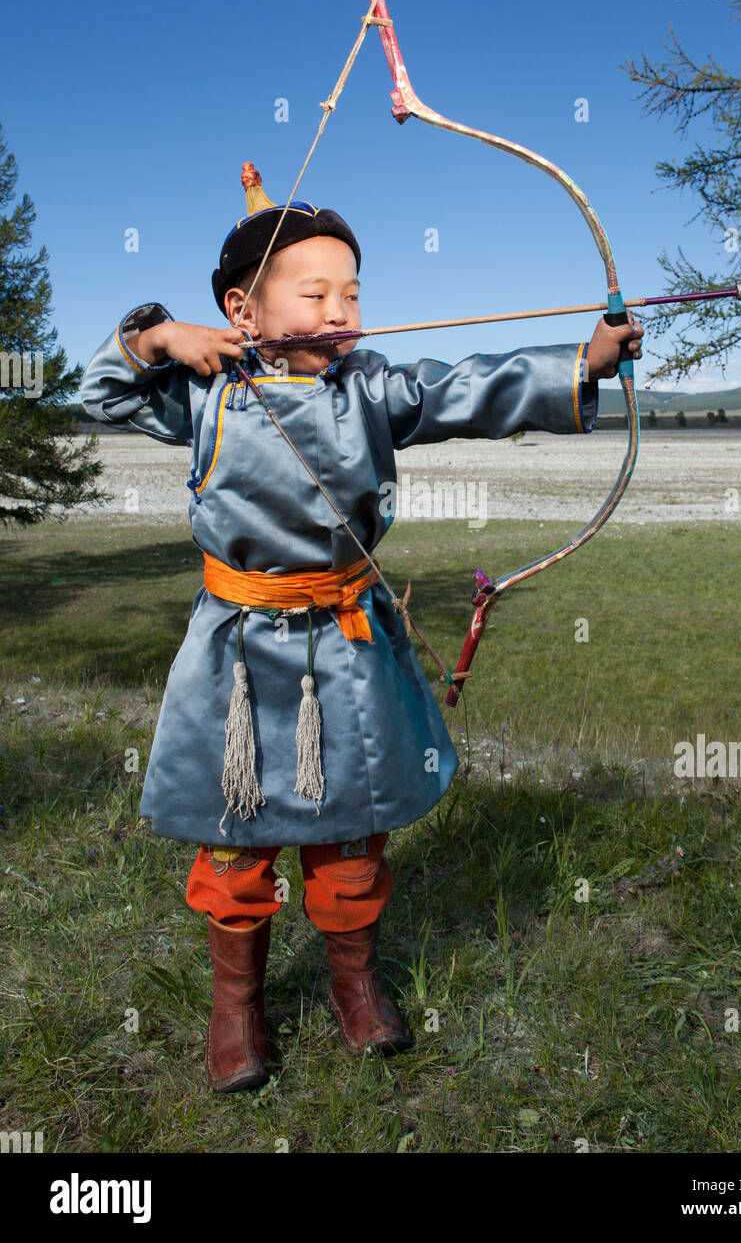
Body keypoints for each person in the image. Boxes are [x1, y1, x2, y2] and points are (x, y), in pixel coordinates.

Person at [79, 165, 643, 1092]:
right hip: (236, 655)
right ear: (242, 311)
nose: (343, 311)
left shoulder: (369, 388)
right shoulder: (203, 392)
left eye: (353, 292)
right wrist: (155, 334)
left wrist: (580, 363)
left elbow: (467, 387)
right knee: (238, 837)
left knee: (350, 832)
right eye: (316, 293)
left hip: (346, 643)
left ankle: (353, 984)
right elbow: (104, 394)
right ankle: (237, 1010)